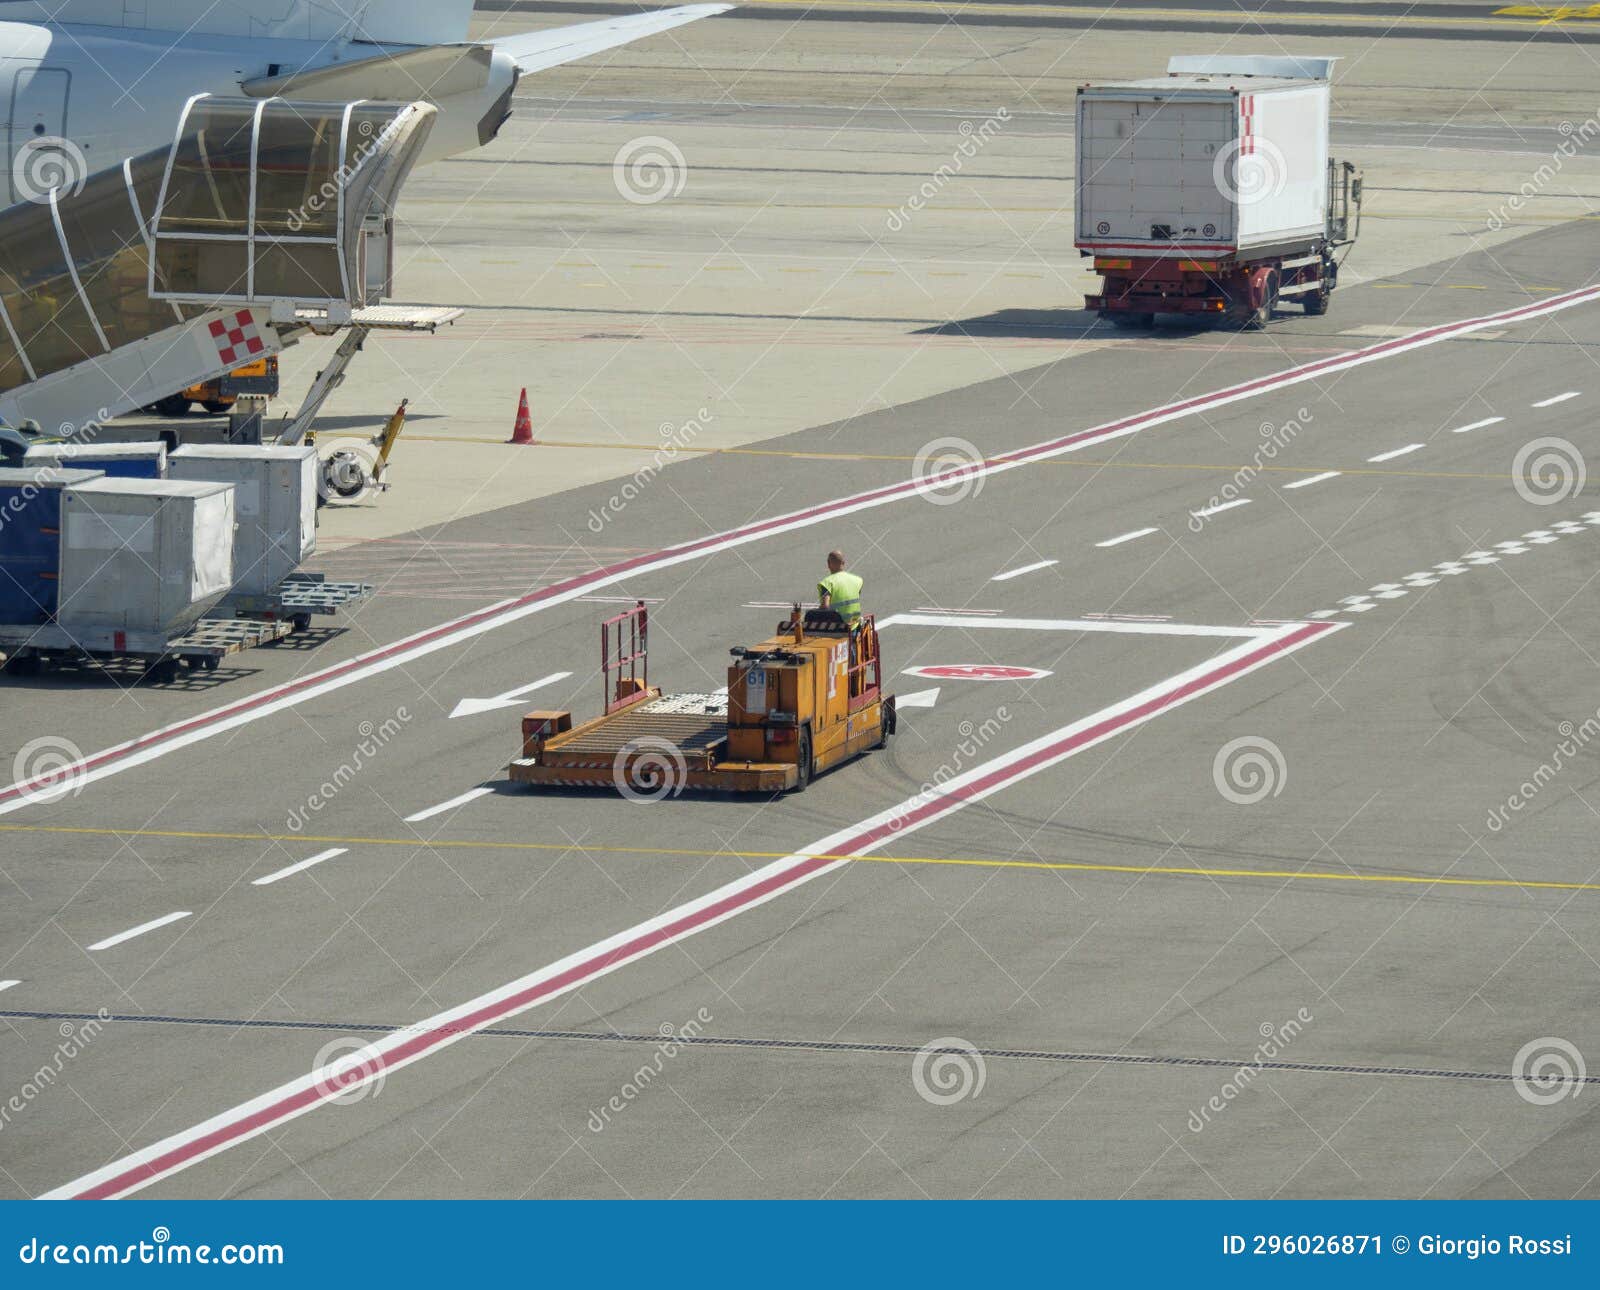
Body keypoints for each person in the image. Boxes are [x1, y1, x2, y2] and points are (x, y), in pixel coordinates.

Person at [817, 549, 863, 627]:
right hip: (854, 625)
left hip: (837, 628)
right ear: (843, 563)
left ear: (828, 564)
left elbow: (825, 606)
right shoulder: (858, 580)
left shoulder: (827, 582)